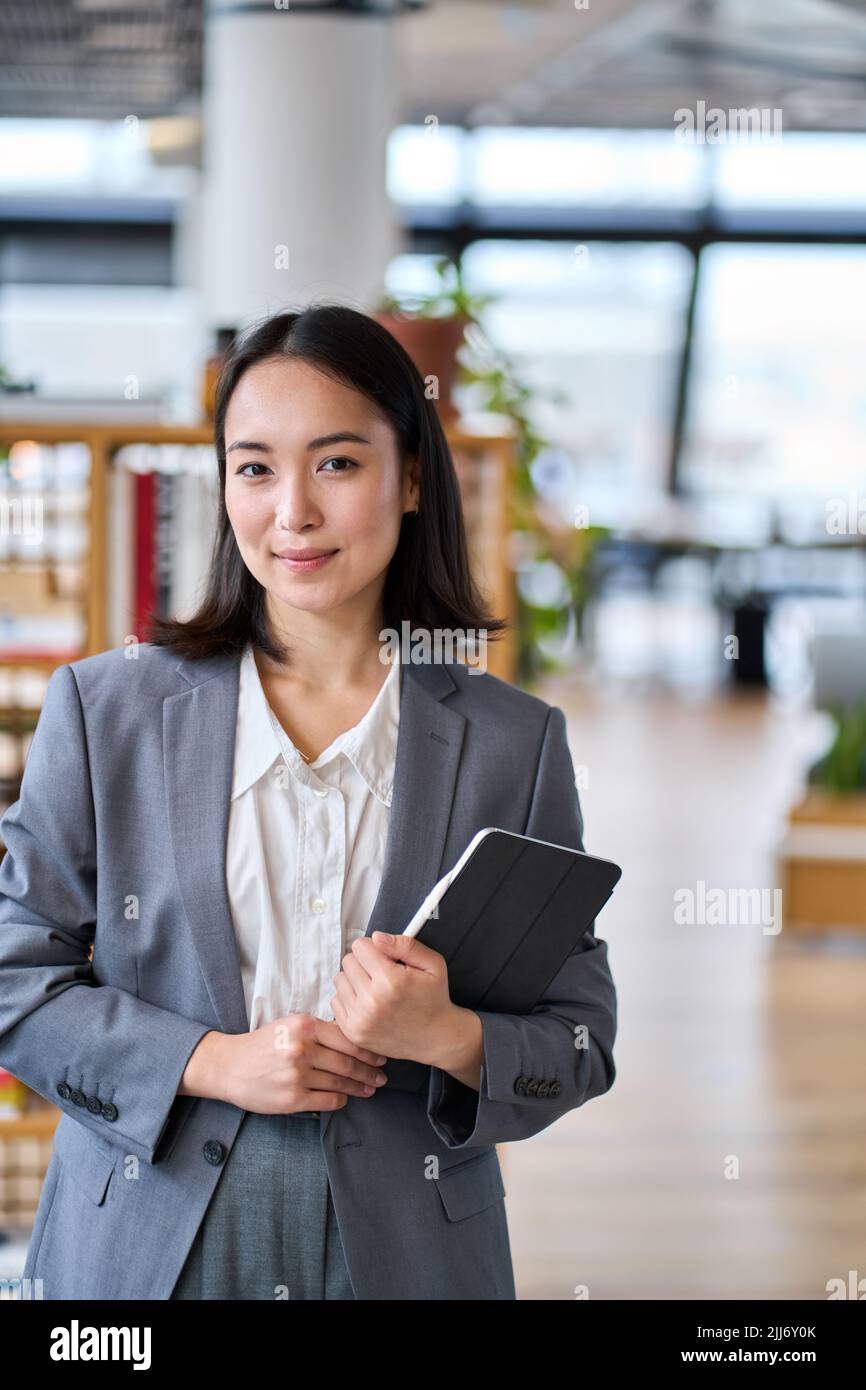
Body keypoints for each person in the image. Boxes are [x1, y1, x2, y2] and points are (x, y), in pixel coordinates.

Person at [0, 304, 617, 1301]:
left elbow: (579, 1044)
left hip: (408, 1254)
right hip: (147, 1245)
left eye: (335, 463)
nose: (292, 509)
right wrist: (210, 1061)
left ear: (411, 476)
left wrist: (448, 1034)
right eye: (253, 466)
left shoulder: (514, 742)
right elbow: (11, 976)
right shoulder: (107, 709)